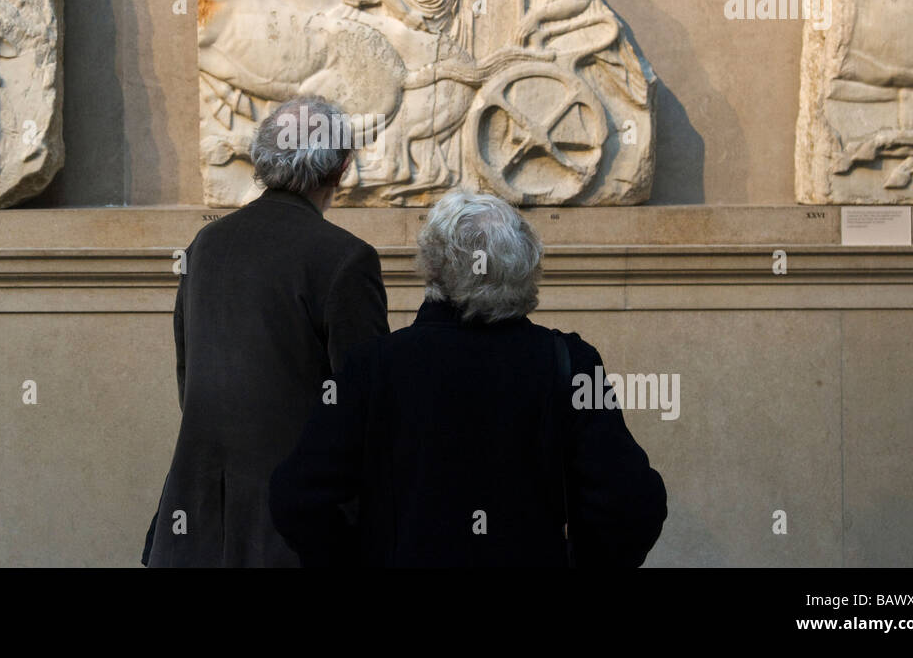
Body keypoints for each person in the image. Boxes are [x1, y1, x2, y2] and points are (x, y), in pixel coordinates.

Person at [270, 189, 667, 567]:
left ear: (432, 266)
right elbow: (632, 504)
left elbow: (298, 496)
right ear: (527, 267)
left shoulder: (373, 365)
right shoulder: (570, 362)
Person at [142, 96, 390, 567]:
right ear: (341, 169)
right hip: (293, 527)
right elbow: (367, 406)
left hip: (197, 521)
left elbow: (188, 375)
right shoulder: (346, 257)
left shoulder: (206, 244)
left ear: (262, 159)